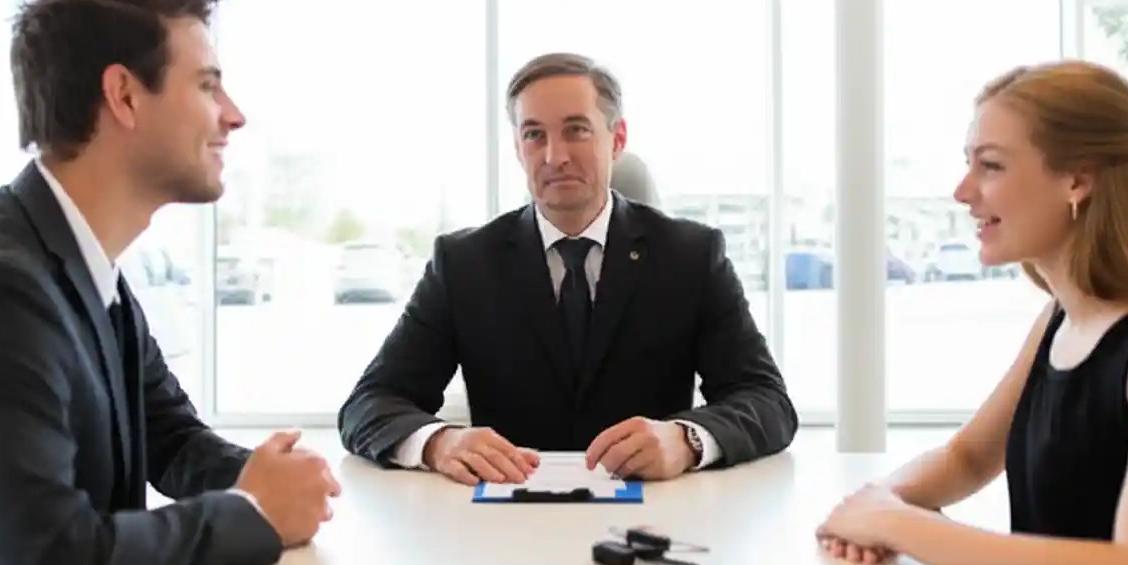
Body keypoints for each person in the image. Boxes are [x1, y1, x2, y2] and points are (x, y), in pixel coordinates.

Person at [0, 0, 340, 565]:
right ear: (123, 96)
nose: (233, 116)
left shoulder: (79, 260)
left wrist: (271, 478)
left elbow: (170, 438)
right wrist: (255, 512)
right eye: (207, 85)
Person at [816, 61, 1128, 565]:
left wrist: (899, 525)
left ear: (1077, 179)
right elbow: (967, 457)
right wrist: (879, 502)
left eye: (990, 166)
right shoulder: (1060, 318)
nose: (962, 191)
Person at [339, 52, 797, 485]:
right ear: (518, 148)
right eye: (534, 134)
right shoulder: (464, 264)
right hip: (506, 520)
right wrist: (440, 442)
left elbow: (767, 401)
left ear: (616, 139)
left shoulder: (690, 255)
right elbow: (369, 404)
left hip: (653, 519)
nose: (554, 156)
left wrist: (687, 439)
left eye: (576, 130)